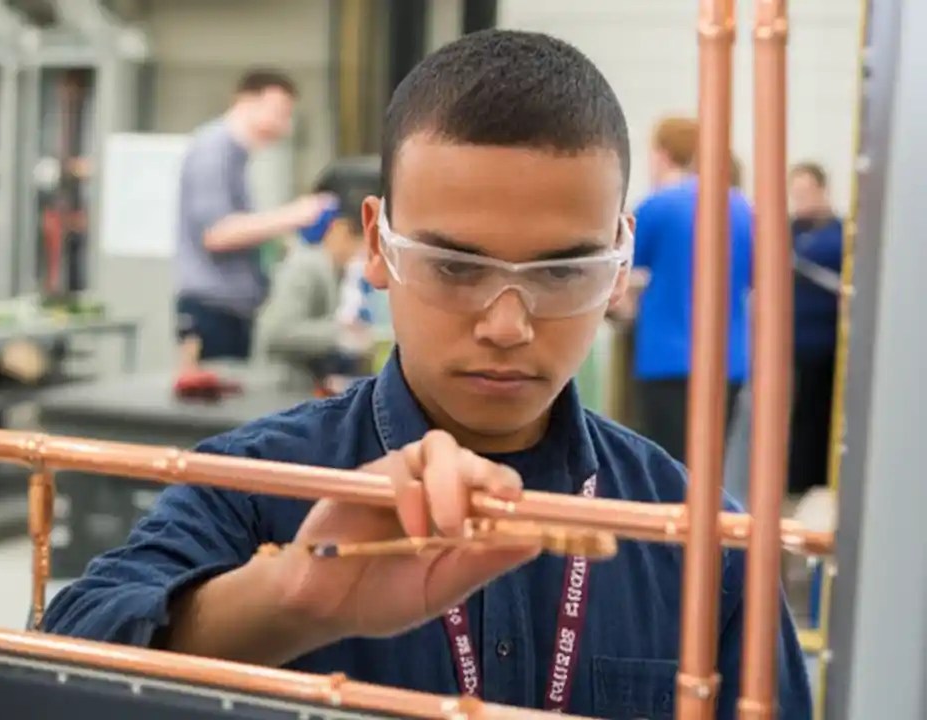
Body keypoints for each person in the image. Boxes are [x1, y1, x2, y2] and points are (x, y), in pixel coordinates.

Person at [45, 30, 810, 718]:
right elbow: (51, 667)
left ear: (617, 264)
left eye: (562, 271)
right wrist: (291, 603)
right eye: (453, 265)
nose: (505, 325)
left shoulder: (696, 534)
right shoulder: (260, 487)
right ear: (378, 242)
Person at [174, 69, 336, 367]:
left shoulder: (236, 157)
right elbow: (217, 234)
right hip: (213, 311)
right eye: (279, 113)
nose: (284, 127)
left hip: (233, 311)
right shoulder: (213, 150)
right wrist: (293, 214)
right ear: (246, 101)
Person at [629, 117, 754, 463]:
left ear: (664, 154)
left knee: (665, 469)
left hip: (666, 359)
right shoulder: (743, 208)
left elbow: (619, 271)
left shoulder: (657, 205)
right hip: (727, 361)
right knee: (708, 468)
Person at [254, 162, 378, 392]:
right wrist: (342, 334)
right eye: (361, 241)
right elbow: (276, 332)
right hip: (285, 388)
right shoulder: (307, 265)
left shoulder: (337, 272)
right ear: (341, 230)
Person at [786, 161, 844, 494]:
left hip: (828, 348)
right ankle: (796, 487)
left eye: (806, 192)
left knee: (821, 420)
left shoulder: (838, 235)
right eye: (796, 193)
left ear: (823, 190)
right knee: (797, 424)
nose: (801, 200)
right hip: (794, 347)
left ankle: (818, 485)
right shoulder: (790, 232)